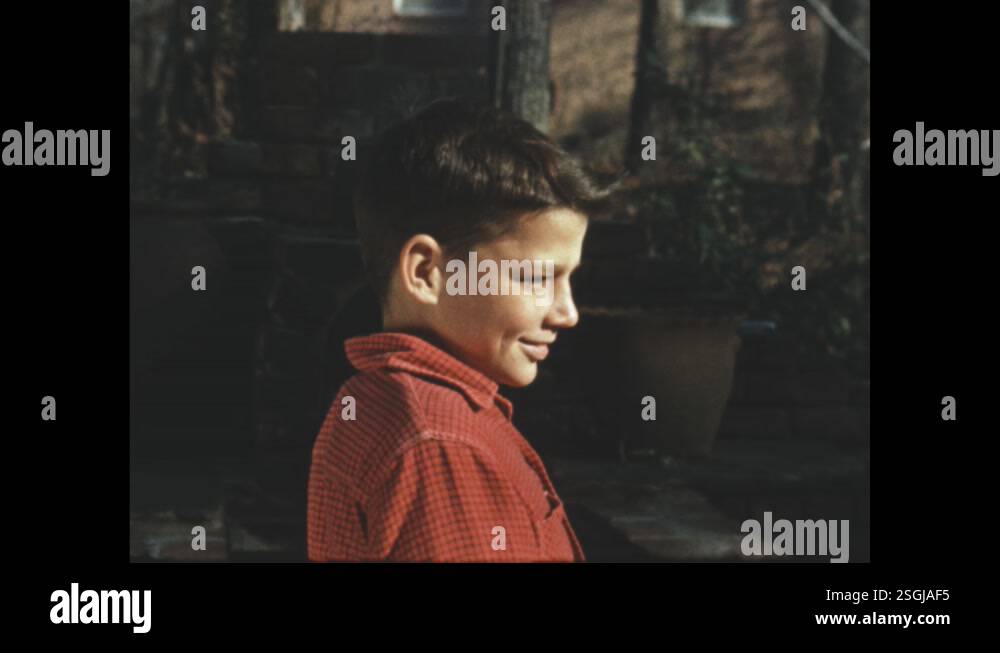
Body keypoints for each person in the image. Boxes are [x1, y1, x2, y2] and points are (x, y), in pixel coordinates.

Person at [307, 97, 616, 562]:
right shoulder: (442, 445)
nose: (567, 312)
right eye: (536, 278)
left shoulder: (372, 400)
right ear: (428, 272)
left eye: (569, 278)